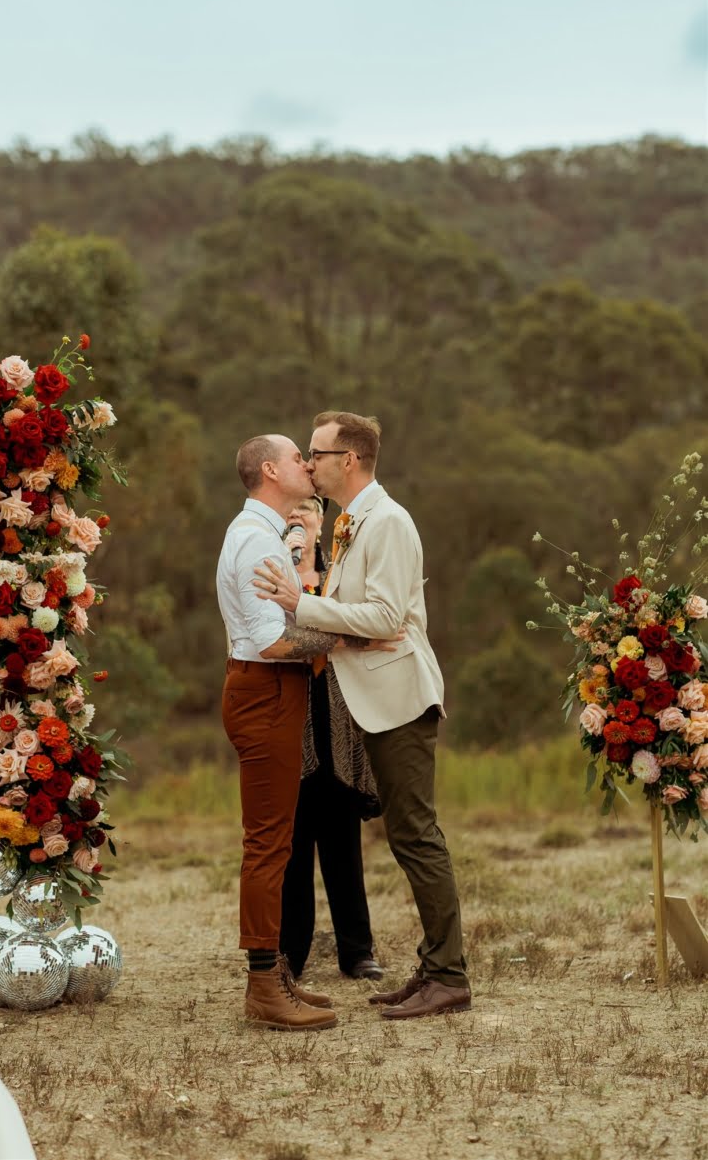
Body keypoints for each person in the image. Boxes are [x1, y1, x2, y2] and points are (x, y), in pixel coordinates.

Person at [254, 412, 471, 1019]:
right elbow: (369, 620)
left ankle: (449, 976)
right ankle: (434, 966)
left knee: (417, 836)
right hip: (376, 701)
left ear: (347, 460)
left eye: (316, 452)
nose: (308, 462)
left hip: (400, 699)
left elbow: (386, 618)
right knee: (407, 836)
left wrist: (302, 603)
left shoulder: (389, 522)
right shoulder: (354, 521)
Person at [216, 433, 400, 1031]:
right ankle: (265, 986)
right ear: (271, 471)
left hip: (274, 691)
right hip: (266, 690)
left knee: (275, 840)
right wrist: (354, 639)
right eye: (298, 456)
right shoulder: (254, 539)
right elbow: (273, 640)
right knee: (270, 844)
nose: (307, 463)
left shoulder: (265, 533)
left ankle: (278, 977)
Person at [280, 495, 384, 982]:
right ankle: (290, 953)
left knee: (344, 843)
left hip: (339, 717)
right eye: (291, 508)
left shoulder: (340, 572)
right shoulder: (272, 570)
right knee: (293, 847)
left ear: (322, 520)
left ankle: (357, 951)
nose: (298, 515)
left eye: (307, 507)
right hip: (291, 719)